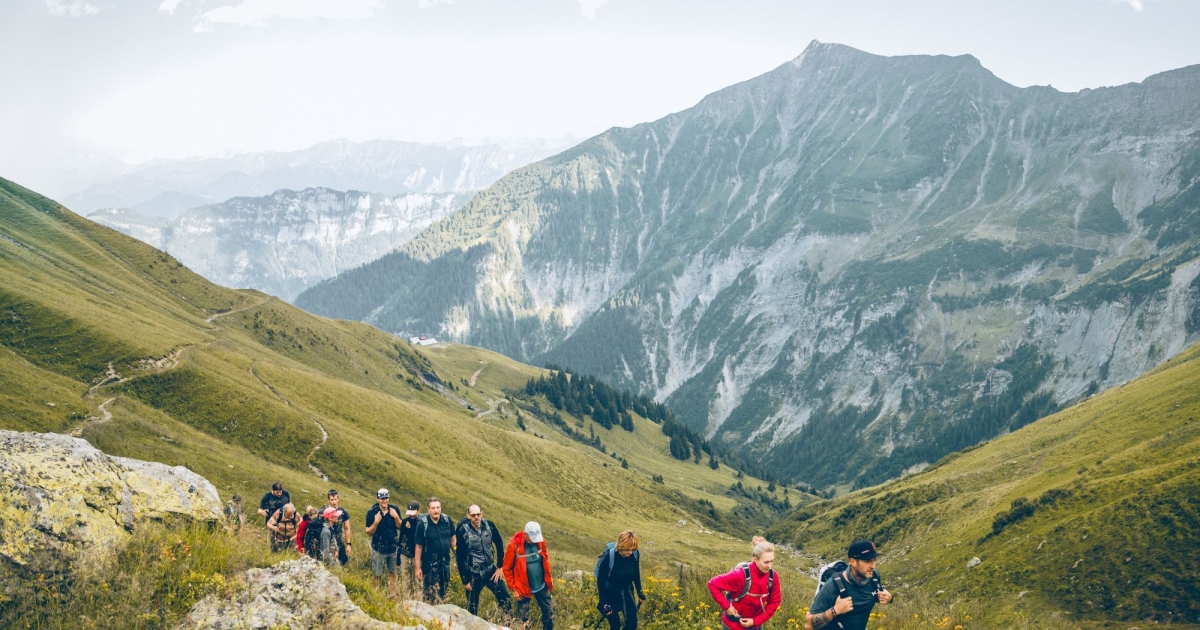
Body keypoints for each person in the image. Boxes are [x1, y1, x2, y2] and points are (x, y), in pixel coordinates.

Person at [805, 539, 892, 630]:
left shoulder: (874, 577)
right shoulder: (832, 586)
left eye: (874, 560)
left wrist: (889, 598)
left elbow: (867, 595)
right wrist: (835, 611)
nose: (873, 566)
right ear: (853, 562)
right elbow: (808, 625)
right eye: (867, 561)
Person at [707, 536, 782, 630]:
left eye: (772, 561)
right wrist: (727, 607)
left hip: (756, 626)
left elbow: (774, 602)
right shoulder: (741, 574)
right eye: (766, 562)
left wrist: (755, 621)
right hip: (733, 626)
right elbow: (713, 584)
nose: (770, 566)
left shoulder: (773, 576)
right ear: (755, 559)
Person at [455, 504, 512, 618]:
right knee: (472, 606)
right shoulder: (463, 531)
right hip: (473, 573)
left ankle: (509, 623)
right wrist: (465, 581)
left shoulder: (489, 526)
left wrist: (499, 567)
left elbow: (499, 543)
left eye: (478, 514)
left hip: (491, 571)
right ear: (468, 516)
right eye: (473, 515)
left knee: (505, 598)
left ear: (482, 514)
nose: (476, 517)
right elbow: (460, 556)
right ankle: (472, 624)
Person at [503, 521, 554, 630]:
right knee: (523, 620)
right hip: (522, 588)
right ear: (525, 534)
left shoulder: (540, 542)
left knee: (549, 613)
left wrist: (548, 579)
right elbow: (507, 568)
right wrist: (514, 589)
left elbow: (545, 559)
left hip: (541, 585)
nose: (535, 541)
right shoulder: (514, 546)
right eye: (532, 538)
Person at [596, 530, 645, 630]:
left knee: (632, 624)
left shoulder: (635, 554)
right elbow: (600, 581)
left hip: (627, 591)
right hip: (610, 593)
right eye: (627, 550)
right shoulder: (609, 557)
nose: (630, 553)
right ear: (620, 547)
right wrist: (604, 603)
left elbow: (636, 574)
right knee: (615, 625)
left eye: (632, 549)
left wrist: (639, 591)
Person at [414, 497, 456, 602]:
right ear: (428, 510)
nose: (436, 510)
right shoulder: (423, 524)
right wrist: (418, 568)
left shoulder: (447, 521)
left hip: (445, 565)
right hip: (429, 567)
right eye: (433, 508)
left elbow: (453, 541)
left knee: (443, 593)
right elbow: (418, 547)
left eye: (438, 507)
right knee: (429, 594)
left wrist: (458, 557)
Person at [365, 489, 404, 598]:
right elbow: (368, 532)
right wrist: (376, 522)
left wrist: (396, 517)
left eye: (386, 498)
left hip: (393, 548)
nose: (384, 500)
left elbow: (401, 527)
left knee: (393, 573)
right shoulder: (372, 512)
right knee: (377, 574)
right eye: (382, 498)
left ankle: (393, 595)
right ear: (377, 499)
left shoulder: (394, 509)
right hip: (378, 548)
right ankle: (377, 595)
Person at [325, 489, 352, 566]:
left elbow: (347, 528)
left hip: (339, 542)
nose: (334, 502)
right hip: (328, 542)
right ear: (328, 500)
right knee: (329, 563)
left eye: (335, 499)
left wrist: (348, 544)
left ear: (338, 499)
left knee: (344, 564)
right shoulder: (324, 511)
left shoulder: (343, 512)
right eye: (332, 500)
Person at [399, 500, 421, 590]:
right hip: (405, 554)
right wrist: (398, 557)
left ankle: (418, 597)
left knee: (418, 581)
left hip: (417, 556)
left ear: (418, 510)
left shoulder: (421, 522)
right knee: (406, 580)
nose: (411, 515)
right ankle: (407, 596)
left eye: (413, 513)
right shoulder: (405, 522)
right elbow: (401, 538)